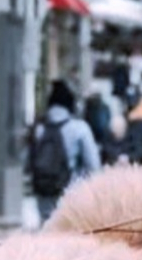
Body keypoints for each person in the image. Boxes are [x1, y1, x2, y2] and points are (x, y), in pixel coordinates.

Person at [29, 80, 100, 223]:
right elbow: (93, 166)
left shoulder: (39, 129)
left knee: (45, 230)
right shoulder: (80, 128)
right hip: (70, 192)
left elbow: (29, 161)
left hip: (43, 191)